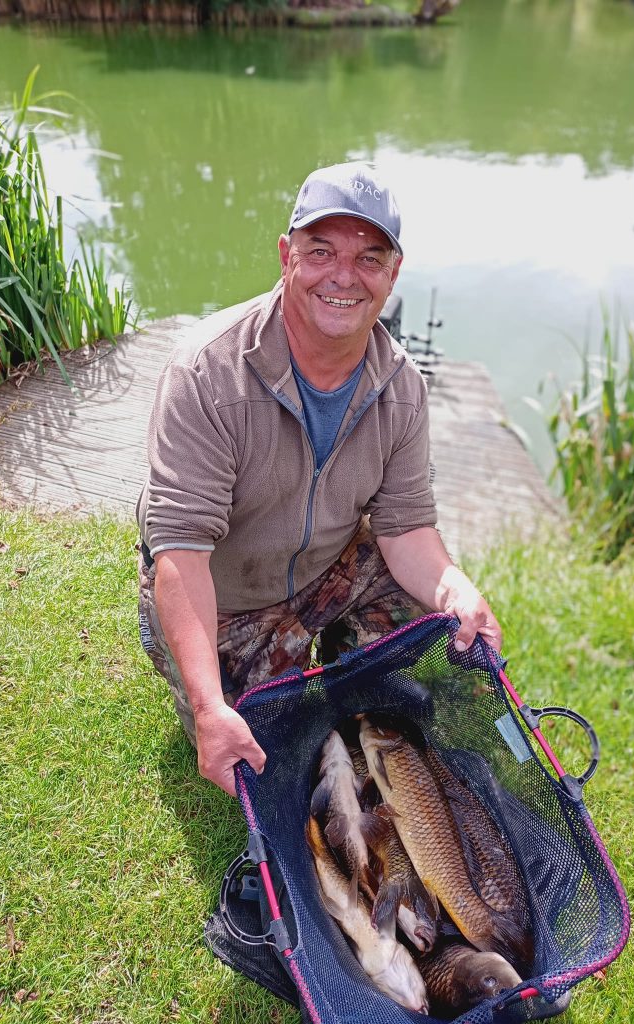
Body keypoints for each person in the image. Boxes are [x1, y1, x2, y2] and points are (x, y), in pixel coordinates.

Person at [136, 162, 502, 798]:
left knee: (429, 613)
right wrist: (206, 708)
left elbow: (407, 527)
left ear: (393, 273)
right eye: (321, 251)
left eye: (369, 258)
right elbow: (180, 553)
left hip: (327, 568)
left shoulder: (403, 387)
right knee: (264, 746)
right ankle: (233, 678)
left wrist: (457, 591)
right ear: (286, 256)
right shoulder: (206, 371)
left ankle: (346, 665)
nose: (344, 275)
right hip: (225, 595)